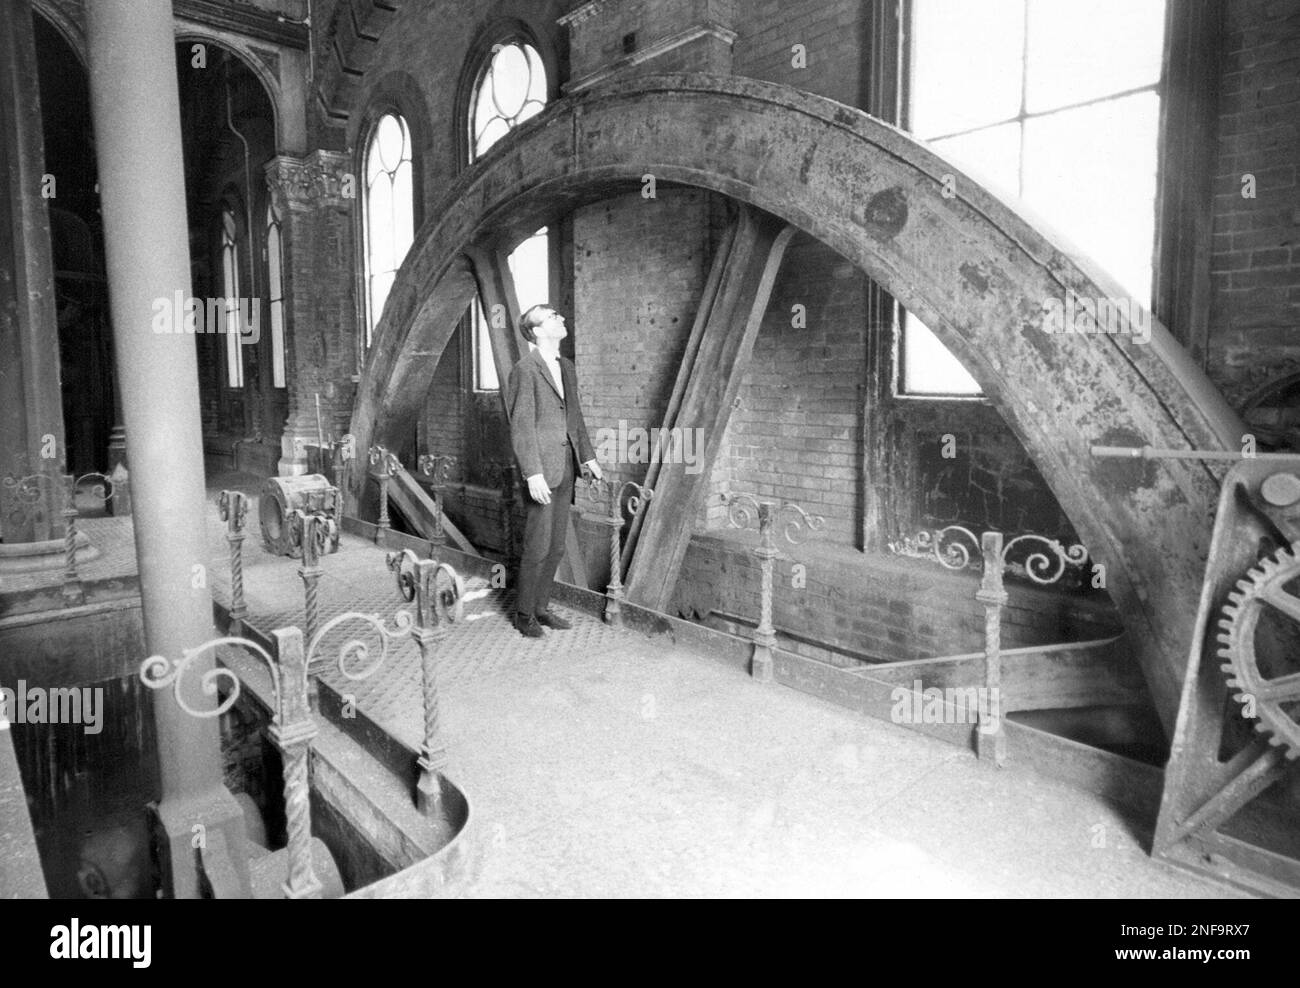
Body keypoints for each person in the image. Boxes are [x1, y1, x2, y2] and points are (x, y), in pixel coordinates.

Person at [505, 304, 602, 637]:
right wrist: (532, 473)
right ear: (537, 331)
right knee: (537, 546)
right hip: (541, 472)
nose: (560, 318)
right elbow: (521, 427)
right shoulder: (525, 370)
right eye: (552, 317)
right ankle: (523, 614)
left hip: (565, 468)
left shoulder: (566, 367)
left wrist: (588, 457)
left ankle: (541, 608)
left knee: (557, 546)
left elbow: (574, 417)